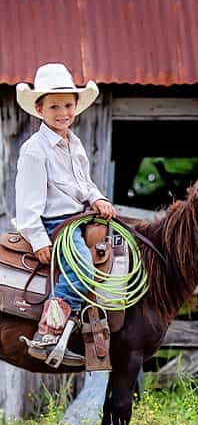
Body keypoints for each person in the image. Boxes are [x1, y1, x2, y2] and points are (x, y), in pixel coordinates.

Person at [13, 63, 117, 359]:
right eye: (54, 106)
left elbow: (83, 183)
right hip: (55, 223)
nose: (63, 113)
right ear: (39, 109)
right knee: (82, 268)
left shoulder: (74, 143)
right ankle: (48, 333)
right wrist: (39, 239)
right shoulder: (35, 150)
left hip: (81, 218)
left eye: (68, 105)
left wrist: (97, 197)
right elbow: (27, 203)